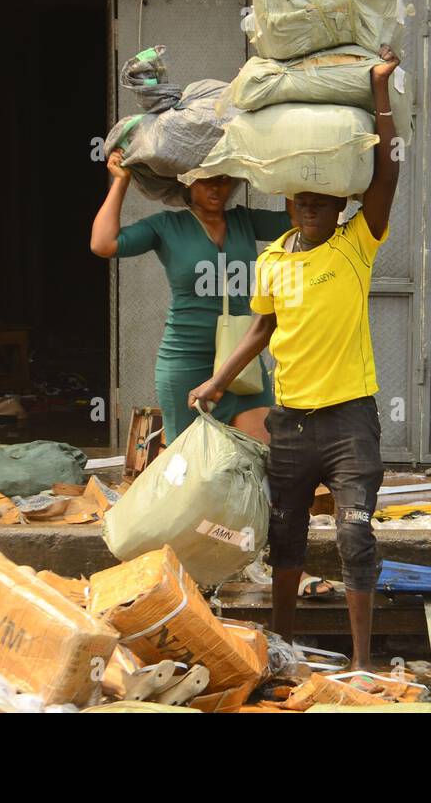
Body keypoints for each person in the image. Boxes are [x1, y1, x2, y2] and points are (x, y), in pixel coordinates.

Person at [188, 45, 401, 670]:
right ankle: (281, 648)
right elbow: (261, 329)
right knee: (285, 539)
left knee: (356, 536)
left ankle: (360, 662)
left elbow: (386, 174)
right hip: (291, 424)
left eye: (321, 200)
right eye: (300, 200)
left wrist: (380, 94)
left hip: (348, 423)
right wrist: (217, 380)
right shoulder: (273, 260)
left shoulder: (356, 246)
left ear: (339, 206)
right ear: (287, 205)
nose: (310, 207)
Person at [89, 151, 340, 600]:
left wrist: (284, 161)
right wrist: (120, 181)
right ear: (187, 185)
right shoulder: (167, 227)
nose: (218, 190)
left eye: (225, 181)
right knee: (195, 474)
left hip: (241, 363)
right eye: (207, 182)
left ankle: (264, 560)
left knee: (268, 462)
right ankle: (189, 567)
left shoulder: (246, 223)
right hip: (186, 362)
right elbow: (103, 244)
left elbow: (301, 223)